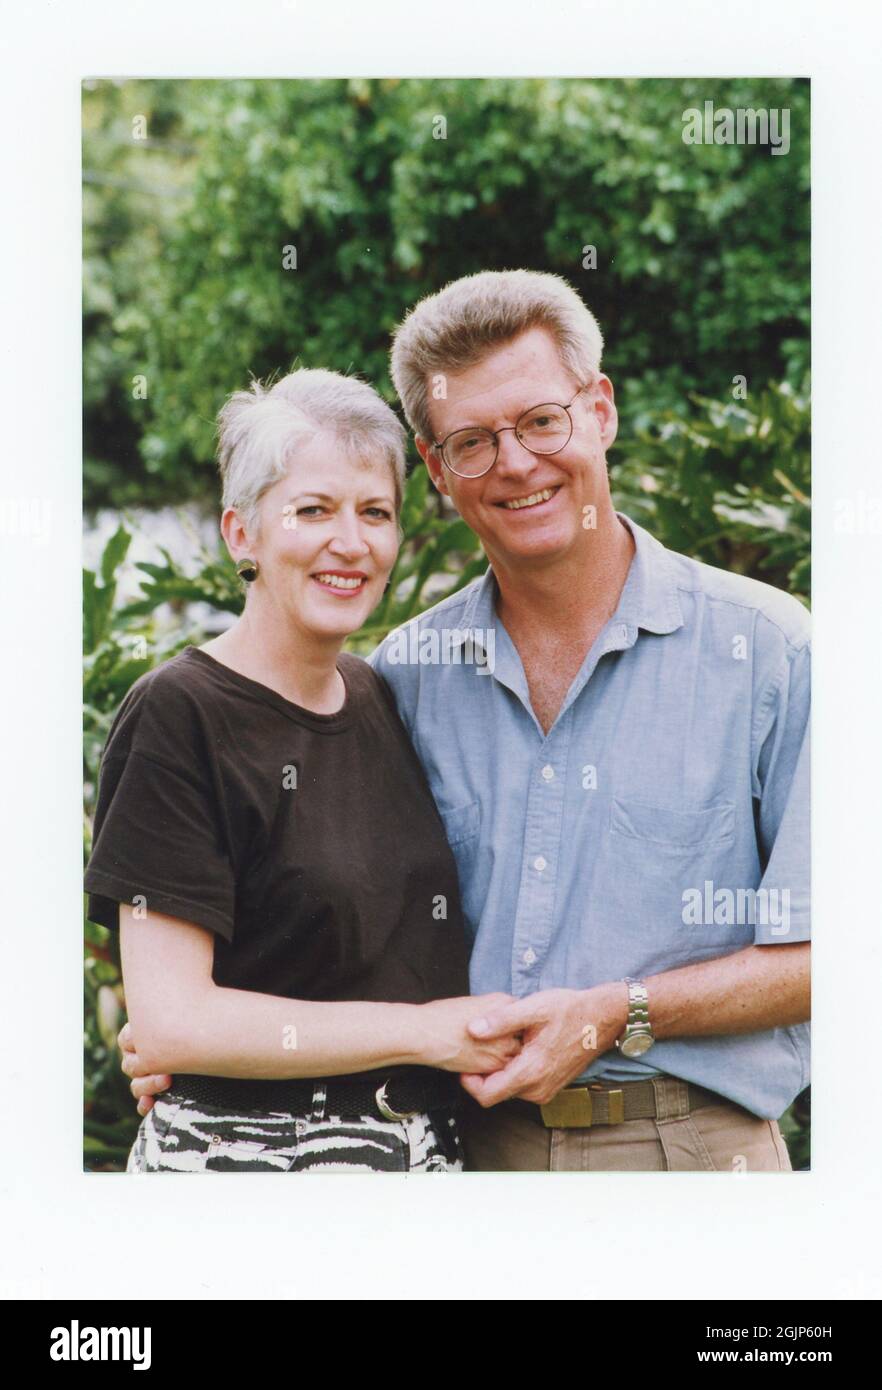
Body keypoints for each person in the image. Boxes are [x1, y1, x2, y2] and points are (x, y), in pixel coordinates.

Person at [128, 269, 811, 1173]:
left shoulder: (769, 651)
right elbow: (337, 924)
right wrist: (192, 1041)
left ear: (599, 410)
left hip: (691, 1150)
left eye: (540, 421)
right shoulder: (402, 679)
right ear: (441, 471)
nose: (517, 463)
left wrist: (623, 1009)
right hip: (460, 1153)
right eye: (474, 442)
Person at [85, 367, 519, 1173]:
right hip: (252, 1165)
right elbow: (176, 1020)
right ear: (241, 534)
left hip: (416, 1155)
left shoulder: (380, 695)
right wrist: (428, 1030)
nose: (350, 542)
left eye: (374, 512)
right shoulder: (178, 714)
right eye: (312, 510)